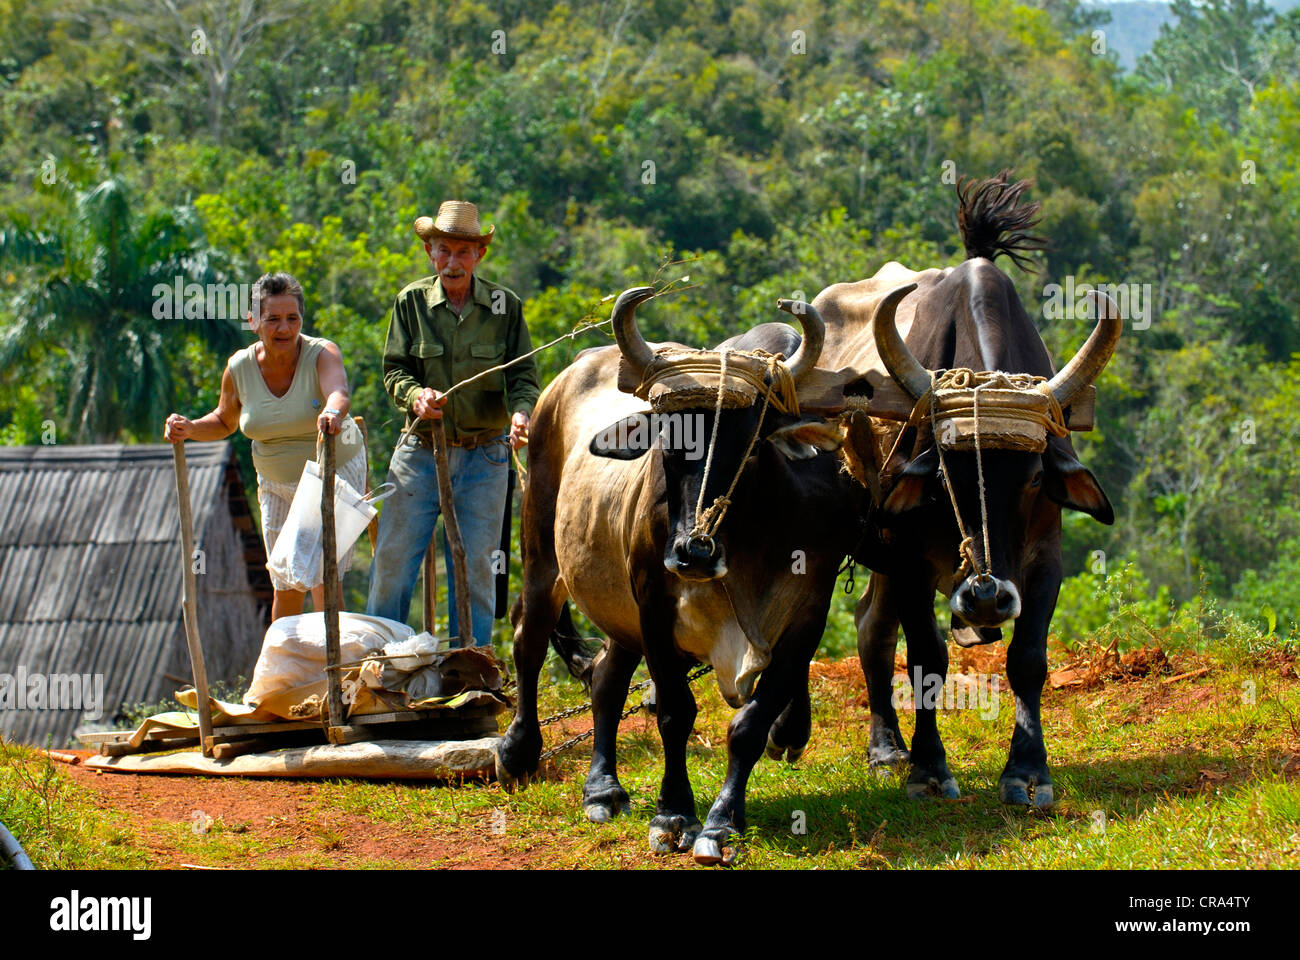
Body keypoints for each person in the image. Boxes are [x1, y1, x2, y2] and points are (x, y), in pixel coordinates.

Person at [366, 200, 540, 645]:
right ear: (430, 253)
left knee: (477, 569)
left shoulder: (506, 306)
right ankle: (384, 668)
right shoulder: (411, 302)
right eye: (444, 250)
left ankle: (470, 670)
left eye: (463, 252)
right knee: (392, 564)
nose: (453, 261)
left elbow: (522, 376)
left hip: (486, 456)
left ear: (479, 256)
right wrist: (415, 395)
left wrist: (522, 414)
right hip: (420, 452)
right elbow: (394, 370)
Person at [164, 272, 367, 620]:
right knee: (284, 580)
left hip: (330, 470)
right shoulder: (239, 367)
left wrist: (332, 413)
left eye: (292, 318)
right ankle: (282, 670)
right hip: (273, 481)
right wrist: (190, 428)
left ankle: (336, 668)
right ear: (253, 321)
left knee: (320, 575)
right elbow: (225, 421)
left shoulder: (322, 353)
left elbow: (339, 393)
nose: (284, 328)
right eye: (273, 319)